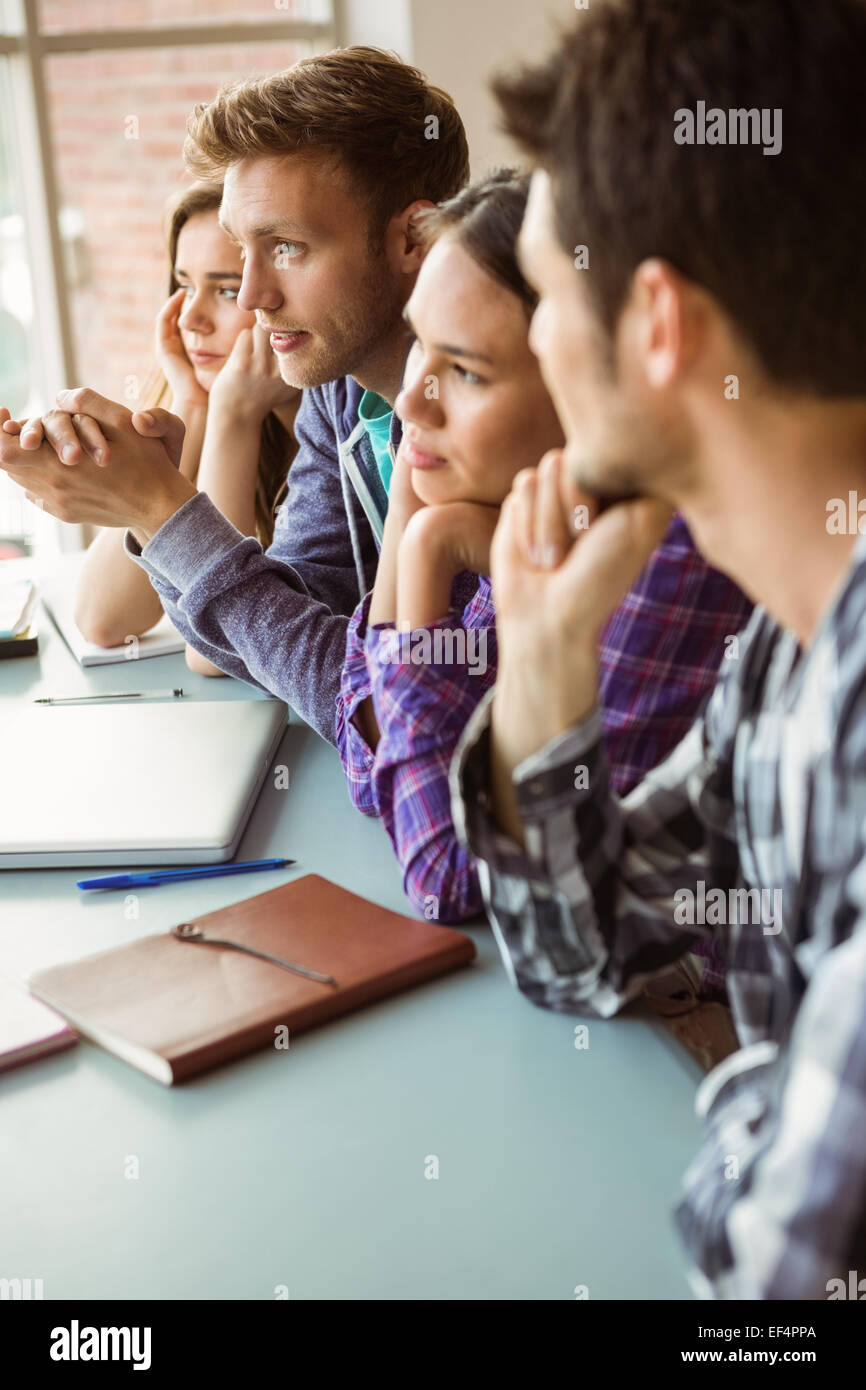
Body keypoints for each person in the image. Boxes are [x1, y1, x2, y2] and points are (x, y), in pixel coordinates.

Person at [449, 0, 866, 1298]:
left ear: (658, 324)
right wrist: (540, 676)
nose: (543, 342)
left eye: (552, 295)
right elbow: (593, 953)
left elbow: (770, 1281)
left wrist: (766, 1073)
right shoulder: (792, 653)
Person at [336, 170, 752, 1017]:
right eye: (422, 345)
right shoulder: (525, 510)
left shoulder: (664, 558)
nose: (412, 398)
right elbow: (372, 750)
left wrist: (421, 558)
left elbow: (452, 875)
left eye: (468, 371)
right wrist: (413, 527)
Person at [0, 46, 471, 743]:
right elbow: (279, 624)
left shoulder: (482, 411)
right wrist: (152, 501)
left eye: (286, 248)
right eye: (240, 252)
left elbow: (385, 712)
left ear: (412, 237)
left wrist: (160, 511)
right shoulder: (341, 394)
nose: (252, 296)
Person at [74, 181, 300, 674]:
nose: (192, 318)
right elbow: (105, 620)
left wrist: (232, 414)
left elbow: (218, 652)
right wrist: (191, 412)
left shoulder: (332, 437)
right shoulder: (205, 406)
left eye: (223, 289)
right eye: (183, 285)